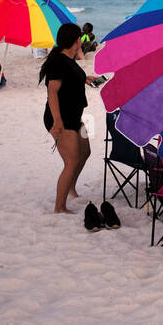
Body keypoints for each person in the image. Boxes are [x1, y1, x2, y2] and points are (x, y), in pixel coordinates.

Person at [40, 22, 100, 214]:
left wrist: (86, 78)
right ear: (75, 41)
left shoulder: (67, 58)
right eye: (79, 40)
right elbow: (52, 92)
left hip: (75, 116)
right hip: (61, 118)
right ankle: (60, 207)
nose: (81, 42)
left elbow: (71, 76)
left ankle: (71, 187)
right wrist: (57, 121)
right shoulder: (58, 61)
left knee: (85, 152)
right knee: (71, 161)